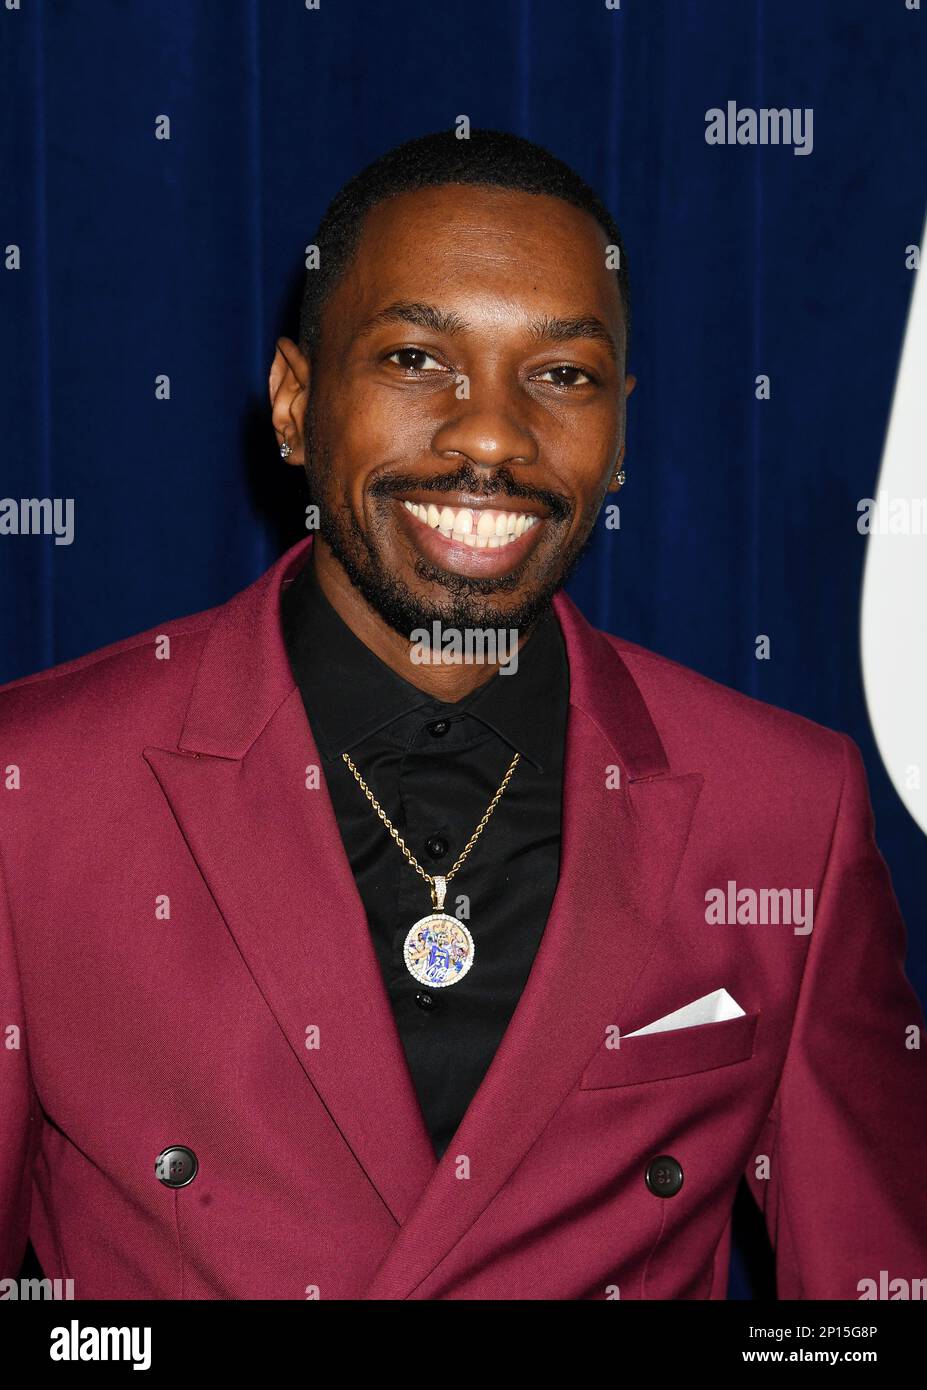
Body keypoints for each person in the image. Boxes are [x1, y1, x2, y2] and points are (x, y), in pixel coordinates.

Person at [1, 129, 925, 1301]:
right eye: (414, 358)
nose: (490, 433)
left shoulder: (787, 809)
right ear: (294, 404)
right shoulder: (33, 792)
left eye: (563, 375)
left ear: (623, 433)